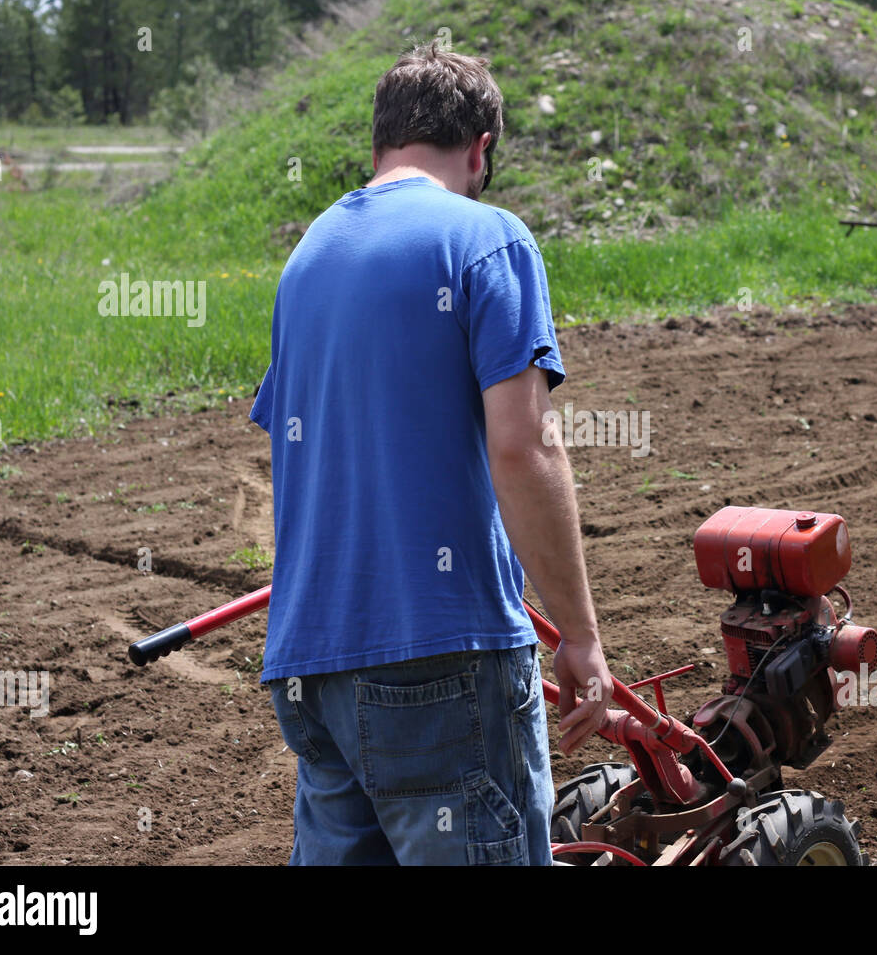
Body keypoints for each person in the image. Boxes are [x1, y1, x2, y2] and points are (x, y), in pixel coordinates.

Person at [249, 43, 613, 865]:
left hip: (311, 664)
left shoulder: (306, 260)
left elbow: (305, 443)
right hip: (442, 660)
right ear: (481, 147)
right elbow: (524, 449)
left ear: (379, 142)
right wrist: (581, 637)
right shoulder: (487, 239)